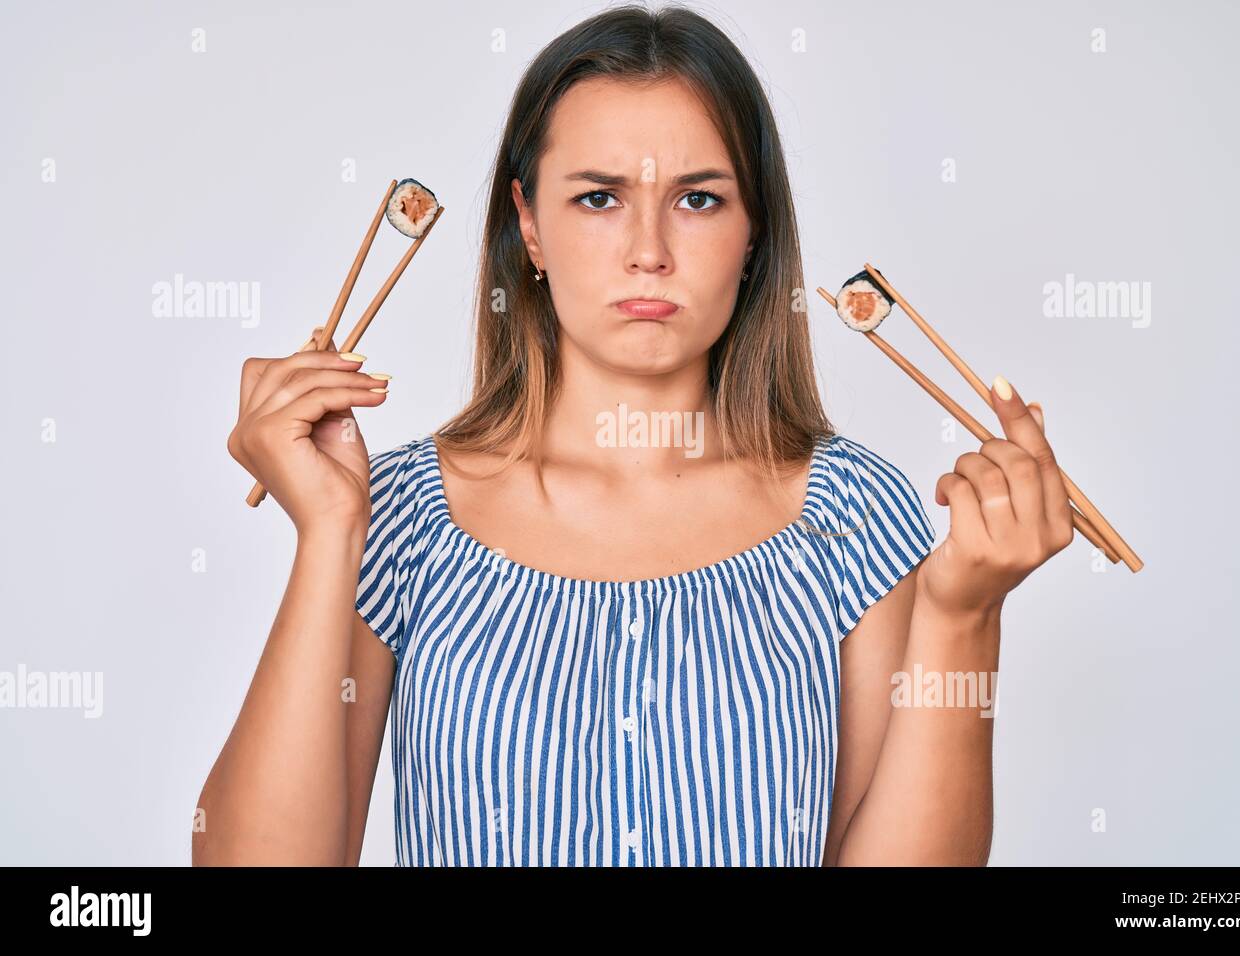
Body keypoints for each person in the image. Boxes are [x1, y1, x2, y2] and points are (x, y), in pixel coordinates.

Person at [196, 3, 1072, 867]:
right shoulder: (401, 516)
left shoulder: (850, 513)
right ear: (529, 224)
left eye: (697, 198)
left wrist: (966, 616)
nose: (648, 250)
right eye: (599, 197)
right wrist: (327, 533)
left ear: (754, 231)